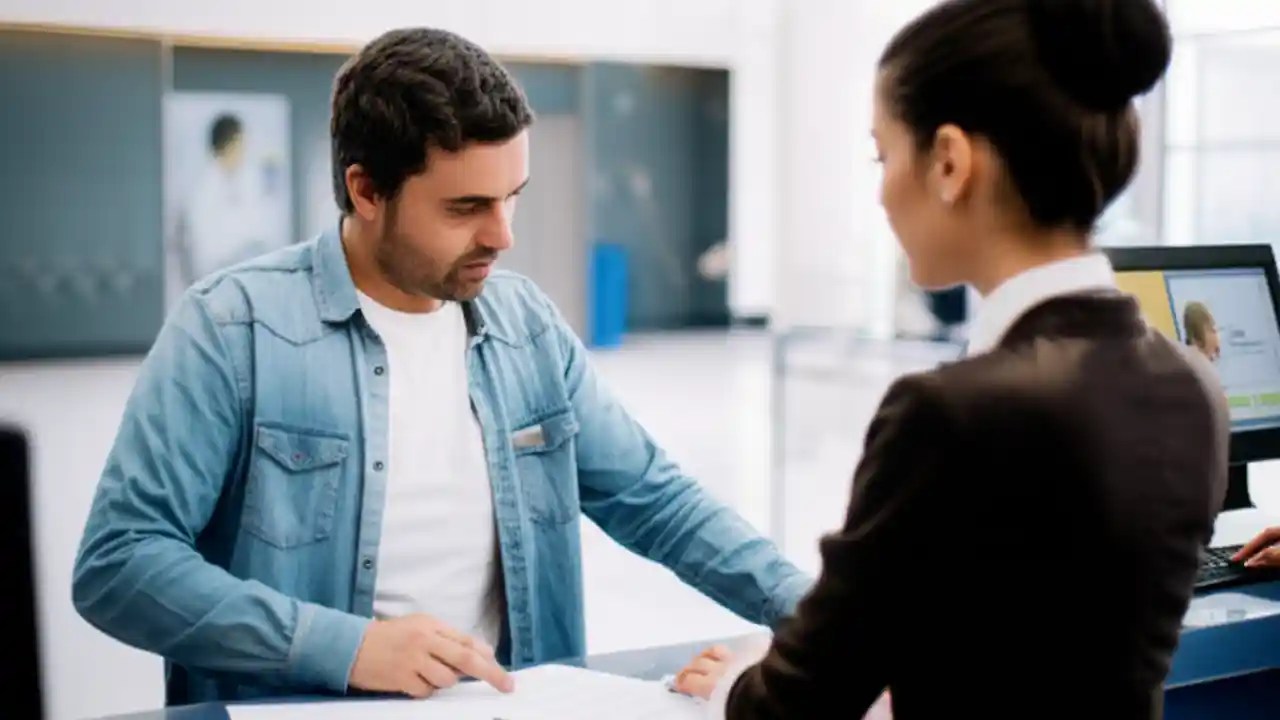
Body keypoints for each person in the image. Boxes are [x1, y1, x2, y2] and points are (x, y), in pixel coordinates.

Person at [73, 27, 811, 706]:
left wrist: (826, 620)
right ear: (366, 191)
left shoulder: (526, 327)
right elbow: (119, 562)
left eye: (512, 198)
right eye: (466, 208)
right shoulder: (231, 329)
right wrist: (347, 647)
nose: (504, 234)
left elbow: (658, 502)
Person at [675, 1, 1229, 718]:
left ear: (949, 162)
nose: (880, 193)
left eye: (883, 156)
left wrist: (737, 678)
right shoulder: (1194, 383)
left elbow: (797, 707)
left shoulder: (952, 412)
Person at [172, 113, 272, 289]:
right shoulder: (201, 190)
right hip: (212, 280)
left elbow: (255, 229)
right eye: (241, 145)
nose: (244, 152)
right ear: (228, 146)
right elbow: (202, 249)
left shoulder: (244, 182)